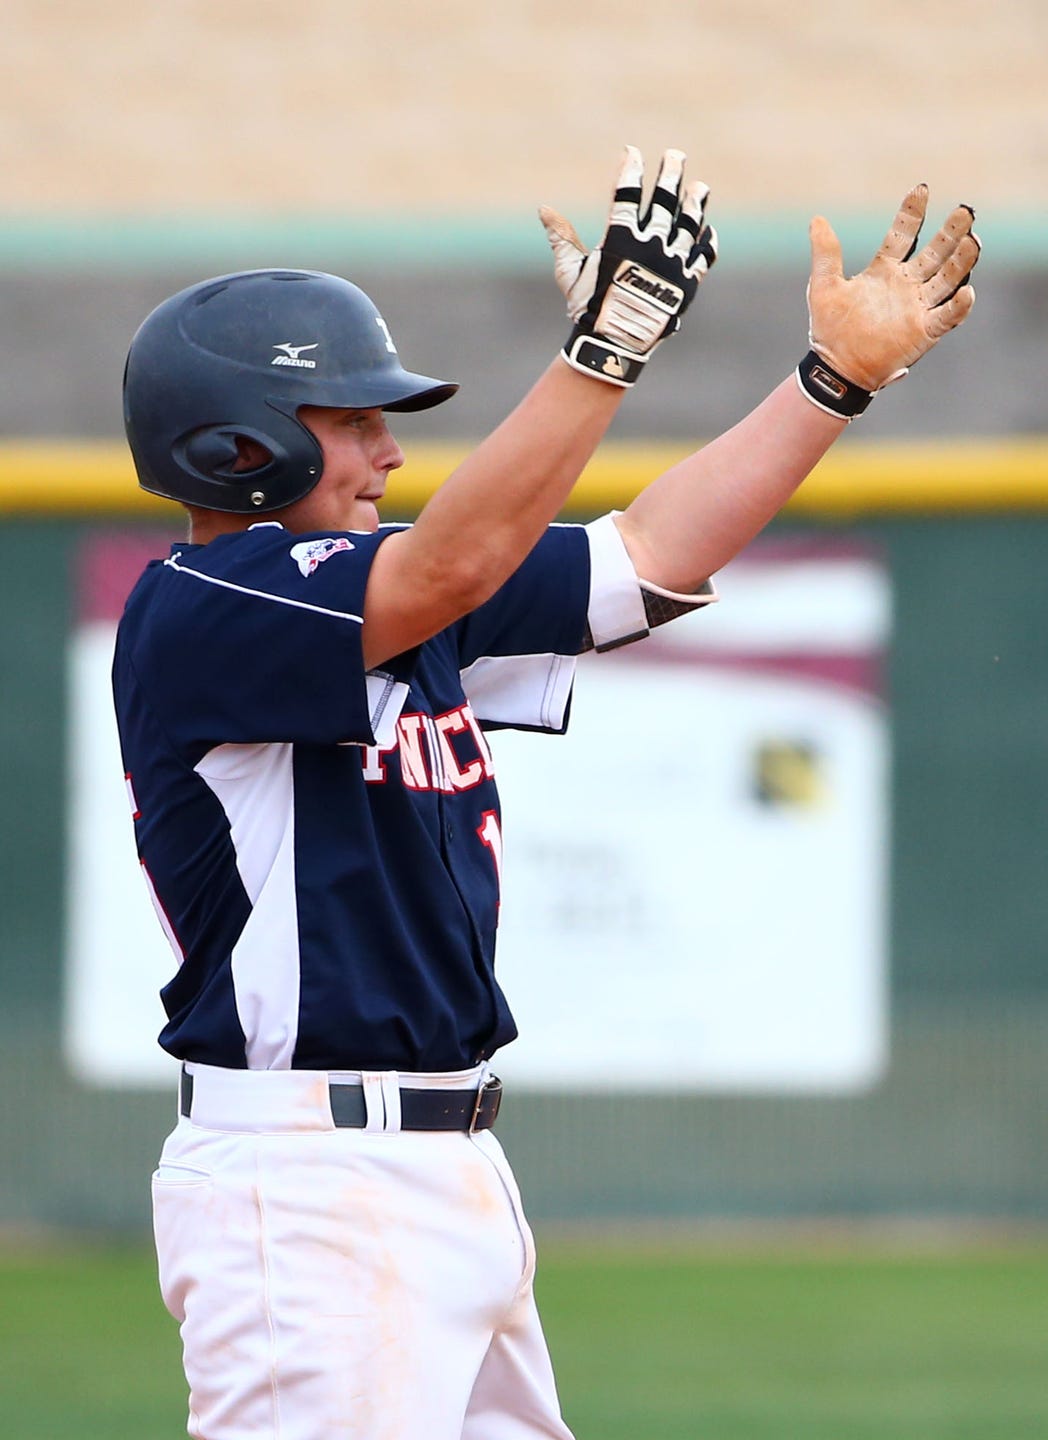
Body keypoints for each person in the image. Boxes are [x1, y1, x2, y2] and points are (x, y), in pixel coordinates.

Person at [115, 145, 977, 1440]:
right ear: (236, 446)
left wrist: (834, 380)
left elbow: (645, 553)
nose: (386, 452)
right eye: (350, 422)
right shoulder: (203, 607)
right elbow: (455, 562)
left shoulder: (392, 595)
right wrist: (601, 356)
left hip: (448, 1170)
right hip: (306, 1189)